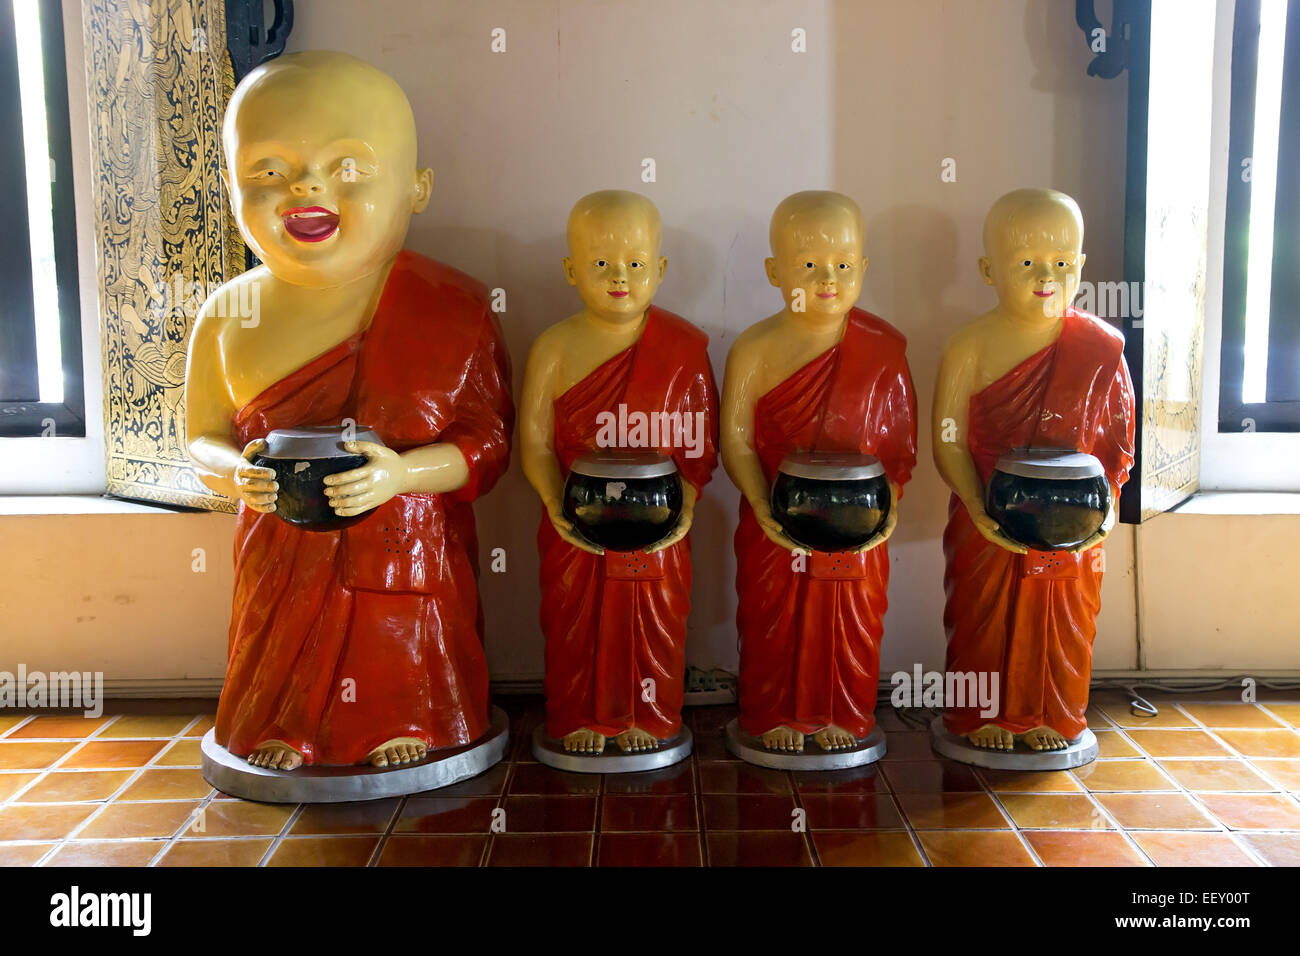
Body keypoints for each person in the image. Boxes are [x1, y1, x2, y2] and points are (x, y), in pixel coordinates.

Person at [184, 52, 513, 769]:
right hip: (281, 547)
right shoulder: (227, 314)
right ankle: (284, 722)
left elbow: (487, 445)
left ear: (417, 189)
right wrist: (233, 471)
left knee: (401, 629)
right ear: (230, 185)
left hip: (407, 538)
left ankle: (412, 714)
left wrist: (400, 476)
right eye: (269, 172)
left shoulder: (450, 308)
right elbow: (201, 439)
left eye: (348, 169)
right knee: (281, 640)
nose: (306, 188)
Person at [932, 187, 1135, 751]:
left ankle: (1056, 715)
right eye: (1026, 263)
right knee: (984, 618)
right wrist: (975, 505)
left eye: (1062, 263)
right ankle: (982, 718)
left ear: (1082, 267)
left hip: (1075, 519)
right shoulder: (968, 344)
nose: (1046, 275)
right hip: (990, 512)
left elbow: (1117, 440)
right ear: (987, 268)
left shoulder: (1098, 348)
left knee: (1063, 622)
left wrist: (1107, 505)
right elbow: (946, 439)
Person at [520, 190, 718, 755]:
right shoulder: (553, 346)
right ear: (570, 270)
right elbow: (533, 441)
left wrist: (685, 500)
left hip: (658, 517)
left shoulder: (681, 347)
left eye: (635, 264)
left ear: (660, 268)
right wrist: (553, 500)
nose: (619, 277)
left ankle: (649, 717)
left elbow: (700, 443)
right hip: (575, 514)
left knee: (651, 622)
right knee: (576, 625)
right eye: (600, 263)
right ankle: (579, 715)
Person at [722, 191, 917, 753]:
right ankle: (773, 712)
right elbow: (734, 440)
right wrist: (760, 502)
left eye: (843, 264)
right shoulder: (754, 349)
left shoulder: (882, 348)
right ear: (774, 271)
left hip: (858, 521)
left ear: (863, 268)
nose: (827, 277)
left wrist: (885, 508)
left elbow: (900, 446)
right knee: (773, 620)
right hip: (775, 518)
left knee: (849, 621)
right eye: (808, 265)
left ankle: (844, 715)